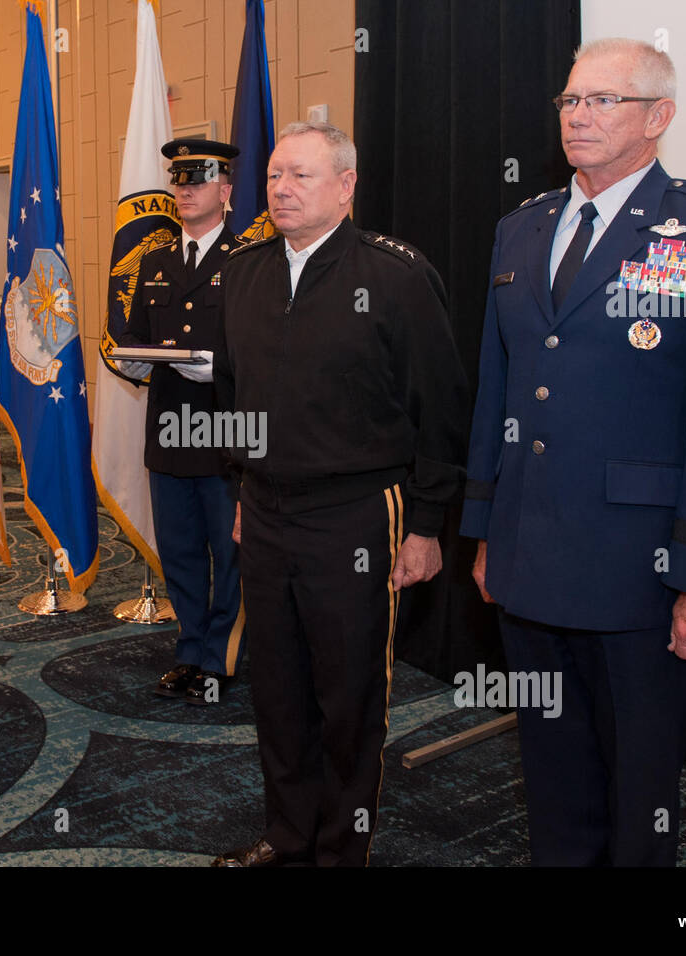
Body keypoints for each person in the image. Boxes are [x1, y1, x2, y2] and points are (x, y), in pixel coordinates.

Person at [460, 38, 686, 866]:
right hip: (532, 555)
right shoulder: (521, 228)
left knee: (643, 796)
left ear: (659, 117)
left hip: (641, 567)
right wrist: (488, 527)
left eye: (604, 100)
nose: (579, 116)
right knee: (553, 778)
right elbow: (499, 389)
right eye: (572, 100)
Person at [211, 122, 469, 866]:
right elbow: (236, 396)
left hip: (357, 516)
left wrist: (424, 525)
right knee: (279, 687)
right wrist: (239, 489)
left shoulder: (395, 275)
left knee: (349, 695)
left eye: (301, 176)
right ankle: (286, 834)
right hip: (264, 512)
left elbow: (440, 409)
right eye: (274, 177)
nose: (282, 190)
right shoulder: (247, 272)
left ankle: (339, 851)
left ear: (346, 185)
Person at [116, 139, 247, 705]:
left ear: (226, 191)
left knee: (231, 548)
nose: (185, 189)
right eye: (179, 180)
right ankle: (190, 649)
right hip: (170, 426)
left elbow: (265, 353)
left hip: (227, 430)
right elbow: (135, 334)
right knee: (181, 551)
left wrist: (220, 370)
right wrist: (135, 359)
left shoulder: (248, 262)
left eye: (198, 179)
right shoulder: (154, 261)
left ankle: (224, 657)